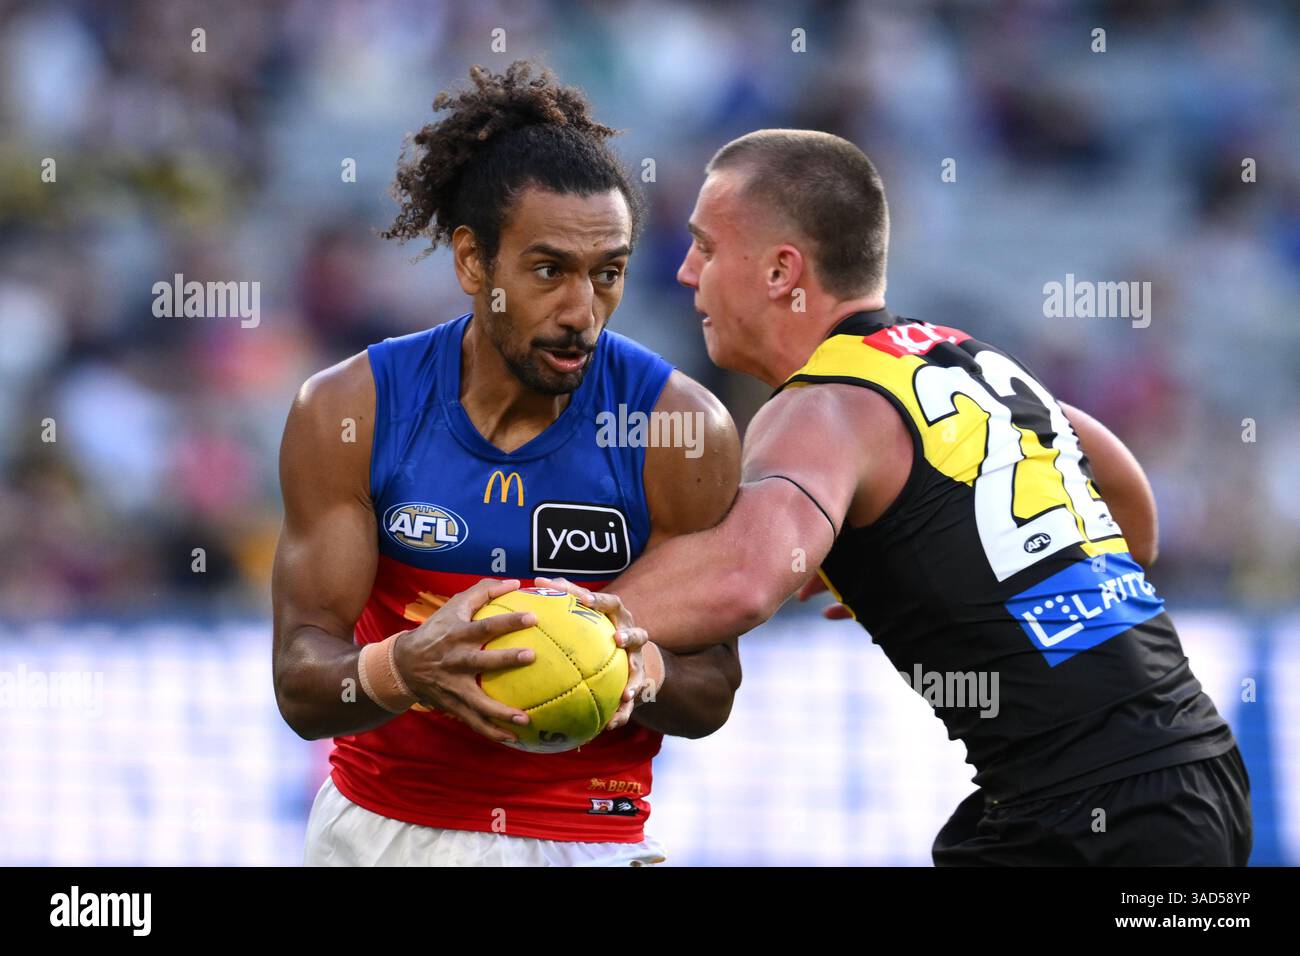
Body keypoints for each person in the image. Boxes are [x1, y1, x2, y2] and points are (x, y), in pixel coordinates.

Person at [592, 128, 1251, 865]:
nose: (686, 273)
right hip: (1190, 777)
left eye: (707, 248)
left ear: (782, 271)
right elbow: (1135, 518)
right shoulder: (977, 359)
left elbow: (745, 577)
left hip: (1091, 810)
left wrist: (547, 618)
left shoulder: (823, 403)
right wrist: (936, 561)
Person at [271, 62, 741, 867]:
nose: (580, 313)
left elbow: (712, 692)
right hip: (379, 834)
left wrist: (643, 668)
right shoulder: (350, 411)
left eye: (609, 274)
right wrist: (403, 669)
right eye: (549, 271)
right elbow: (300, 683)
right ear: (471, 262)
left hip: (586, 840)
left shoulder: (680, 428)